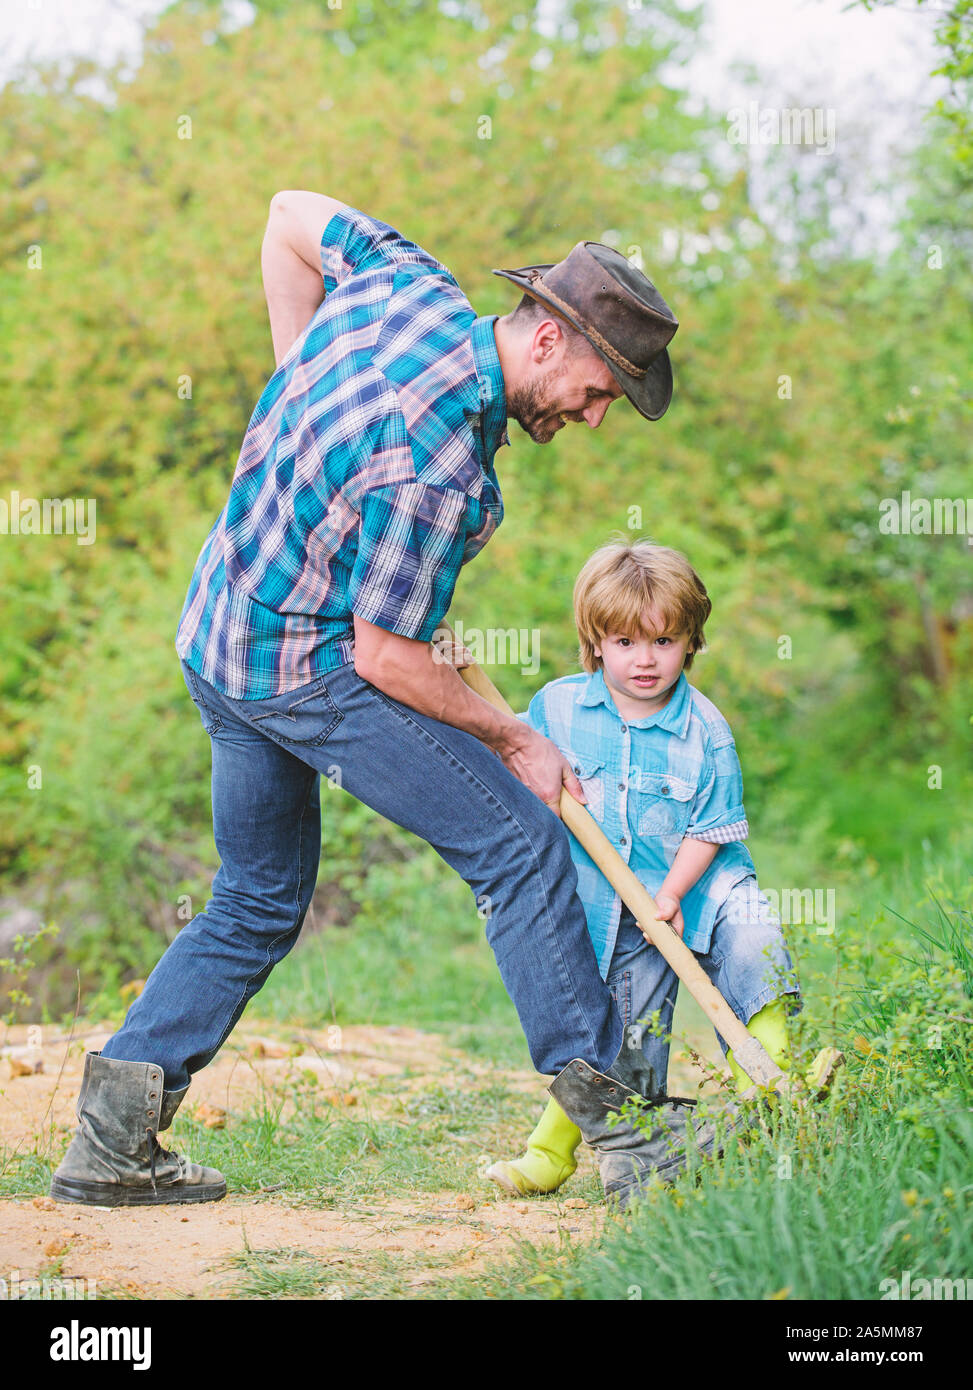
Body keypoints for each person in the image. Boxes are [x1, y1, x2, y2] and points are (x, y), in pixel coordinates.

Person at [49, 193, 731, 1212]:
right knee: (518, 844)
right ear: (548, 336)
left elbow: (284, 214)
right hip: (304, 662)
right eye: (599, 390)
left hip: (220, 629)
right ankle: (625, 1134)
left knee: (256, 895)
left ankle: (112, 1137)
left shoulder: (407, 288)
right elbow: (387, 658)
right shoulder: (441, 463)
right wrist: (515, 738)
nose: (593, 417)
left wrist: (294, 374)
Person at [484, 538, 837, 1198]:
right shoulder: (557, 709)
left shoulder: (705, 729)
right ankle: (549, 1153)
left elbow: (711, 827)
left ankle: (770, 1093)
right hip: (613, 901)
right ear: (594, 642)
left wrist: (670, 895)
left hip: (702, 883)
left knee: (756, 944)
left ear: (690, 642)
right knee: (618, 1036)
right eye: (623, 643)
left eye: (663, 642)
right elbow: (517, 770)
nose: (643, 660)